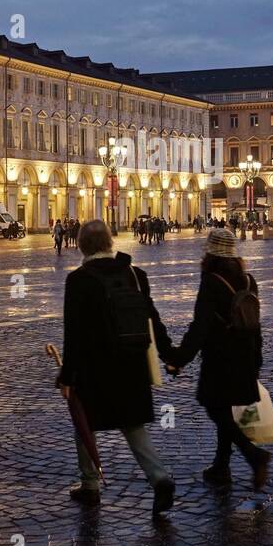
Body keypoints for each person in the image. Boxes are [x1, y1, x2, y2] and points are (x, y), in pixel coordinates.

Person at [58, 219, 175, 514]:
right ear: (110, 242)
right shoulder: (135, 274)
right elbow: (151, 318)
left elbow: (74, 333)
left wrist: (67, 374)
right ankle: (159, 477)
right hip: (133, 361)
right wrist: (168, 353)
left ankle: (90, 485)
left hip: (95, 366)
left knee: (84, 423)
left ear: (82, 245)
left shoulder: (79, 280)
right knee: (132, 424)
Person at [166, 228, 271, 490]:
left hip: (220, 357)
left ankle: (253, 454)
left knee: (214, 406)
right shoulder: (248, 280)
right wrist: (257, 358)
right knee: (225, 409)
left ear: (210, 252)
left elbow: (200, 326)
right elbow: (255, 324)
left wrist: (179, 358)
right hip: (245, 353)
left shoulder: (211, 281)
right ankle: (221, 466)